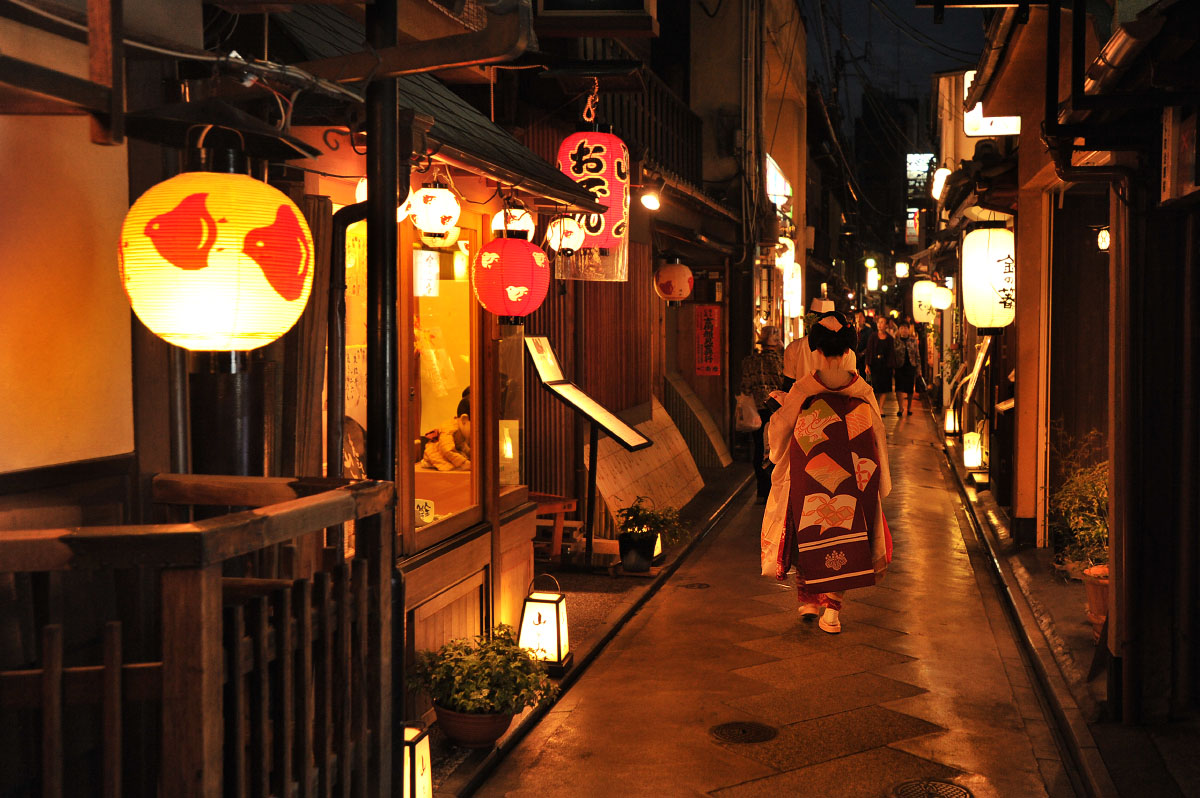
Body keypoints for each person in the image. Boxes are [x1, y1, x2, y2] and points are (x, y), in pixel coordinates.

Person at [760, 312, 892, 634]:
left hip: (810, 469)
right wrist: (882, 480)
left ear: (816, 351)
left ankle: (807, 599)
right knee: (848, 528)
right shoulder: (860, 390)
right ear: (850, 350)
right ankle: (832, 608)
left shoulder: (806, 388)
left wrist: (775, 447)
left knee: (811, 527)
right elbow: (878, 432)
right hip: (857, 472)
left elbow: (780, 431)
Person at [739, 326, 785, 504]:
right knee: (777, 448)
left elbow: (745, 387)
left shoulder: (750, 361)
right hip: (778, 410)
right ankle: (776, 487)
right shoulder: (781, 361)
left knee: (759, 448)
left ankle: (762, 488)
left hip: (758, 410)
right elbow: (786, 384)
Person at [420, 396, 472, 471]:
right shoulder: (449, 428)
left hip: (450, 453)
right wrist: (463, 463)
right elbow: (447, 449)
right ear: (464, 419)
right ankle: (428, 463)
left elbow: (463, 447)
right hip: (437, 453)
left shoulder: (460, 431)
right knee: (448, 464)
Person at [863, 315, 895, 411]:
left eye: (882, 322)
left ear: (886, 325)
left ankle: (881, 408)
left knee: (884, 387)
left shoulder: (890, 338)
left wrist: (892, 367)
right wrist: (867, 365)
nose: (880, 325)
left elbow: (891, 353)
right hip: (875, 364)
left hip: (885, 365)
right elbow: (869, 351)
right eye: (879, 322)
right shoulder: (873, 336)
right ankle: (875, 406)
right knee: (875, 387)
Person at [892, 321, 921, 416]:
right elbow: (893, 355)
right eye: (902, 328)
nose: (904, 330)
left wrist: (918, 368)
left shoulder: (913, 341)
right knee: (899, 388)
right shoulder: (895, 341)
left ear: (909, 330)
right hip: (899, 366)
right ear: (899, 330)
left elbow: (917, 355)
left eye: (906, 328)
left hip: (911, 365)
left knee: (909, 388)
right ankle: (900, 408)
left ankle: (909, 408)